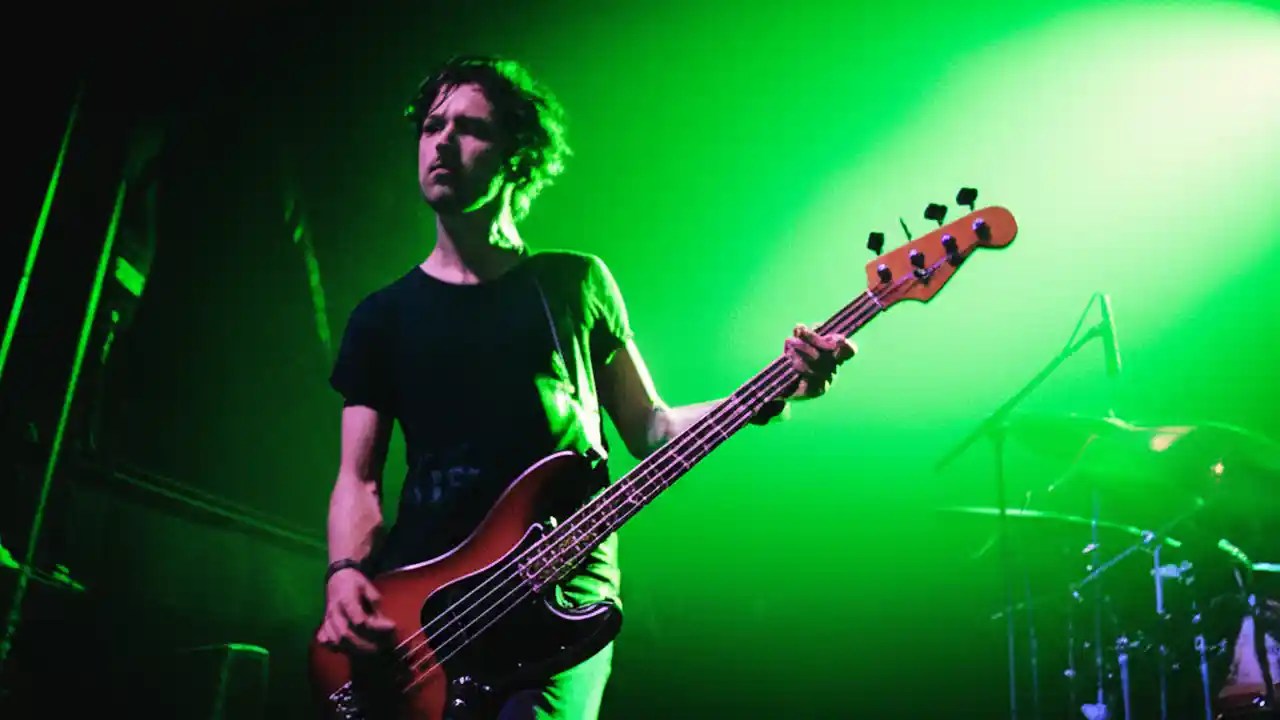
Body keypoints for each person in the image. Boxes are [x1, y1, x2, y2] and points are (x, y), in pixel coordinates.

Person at [315, 55, 857, 719]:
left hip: (556, 599)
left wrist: (781, 389)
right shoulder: (383, 317)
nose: (442, 142)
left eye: (470, 128)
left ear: (518, 157)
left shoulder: (573, 286)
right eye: (431, 126)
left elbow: (651, 428)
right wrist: (344, 577)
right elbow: (358, 480)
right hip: (424, 617)